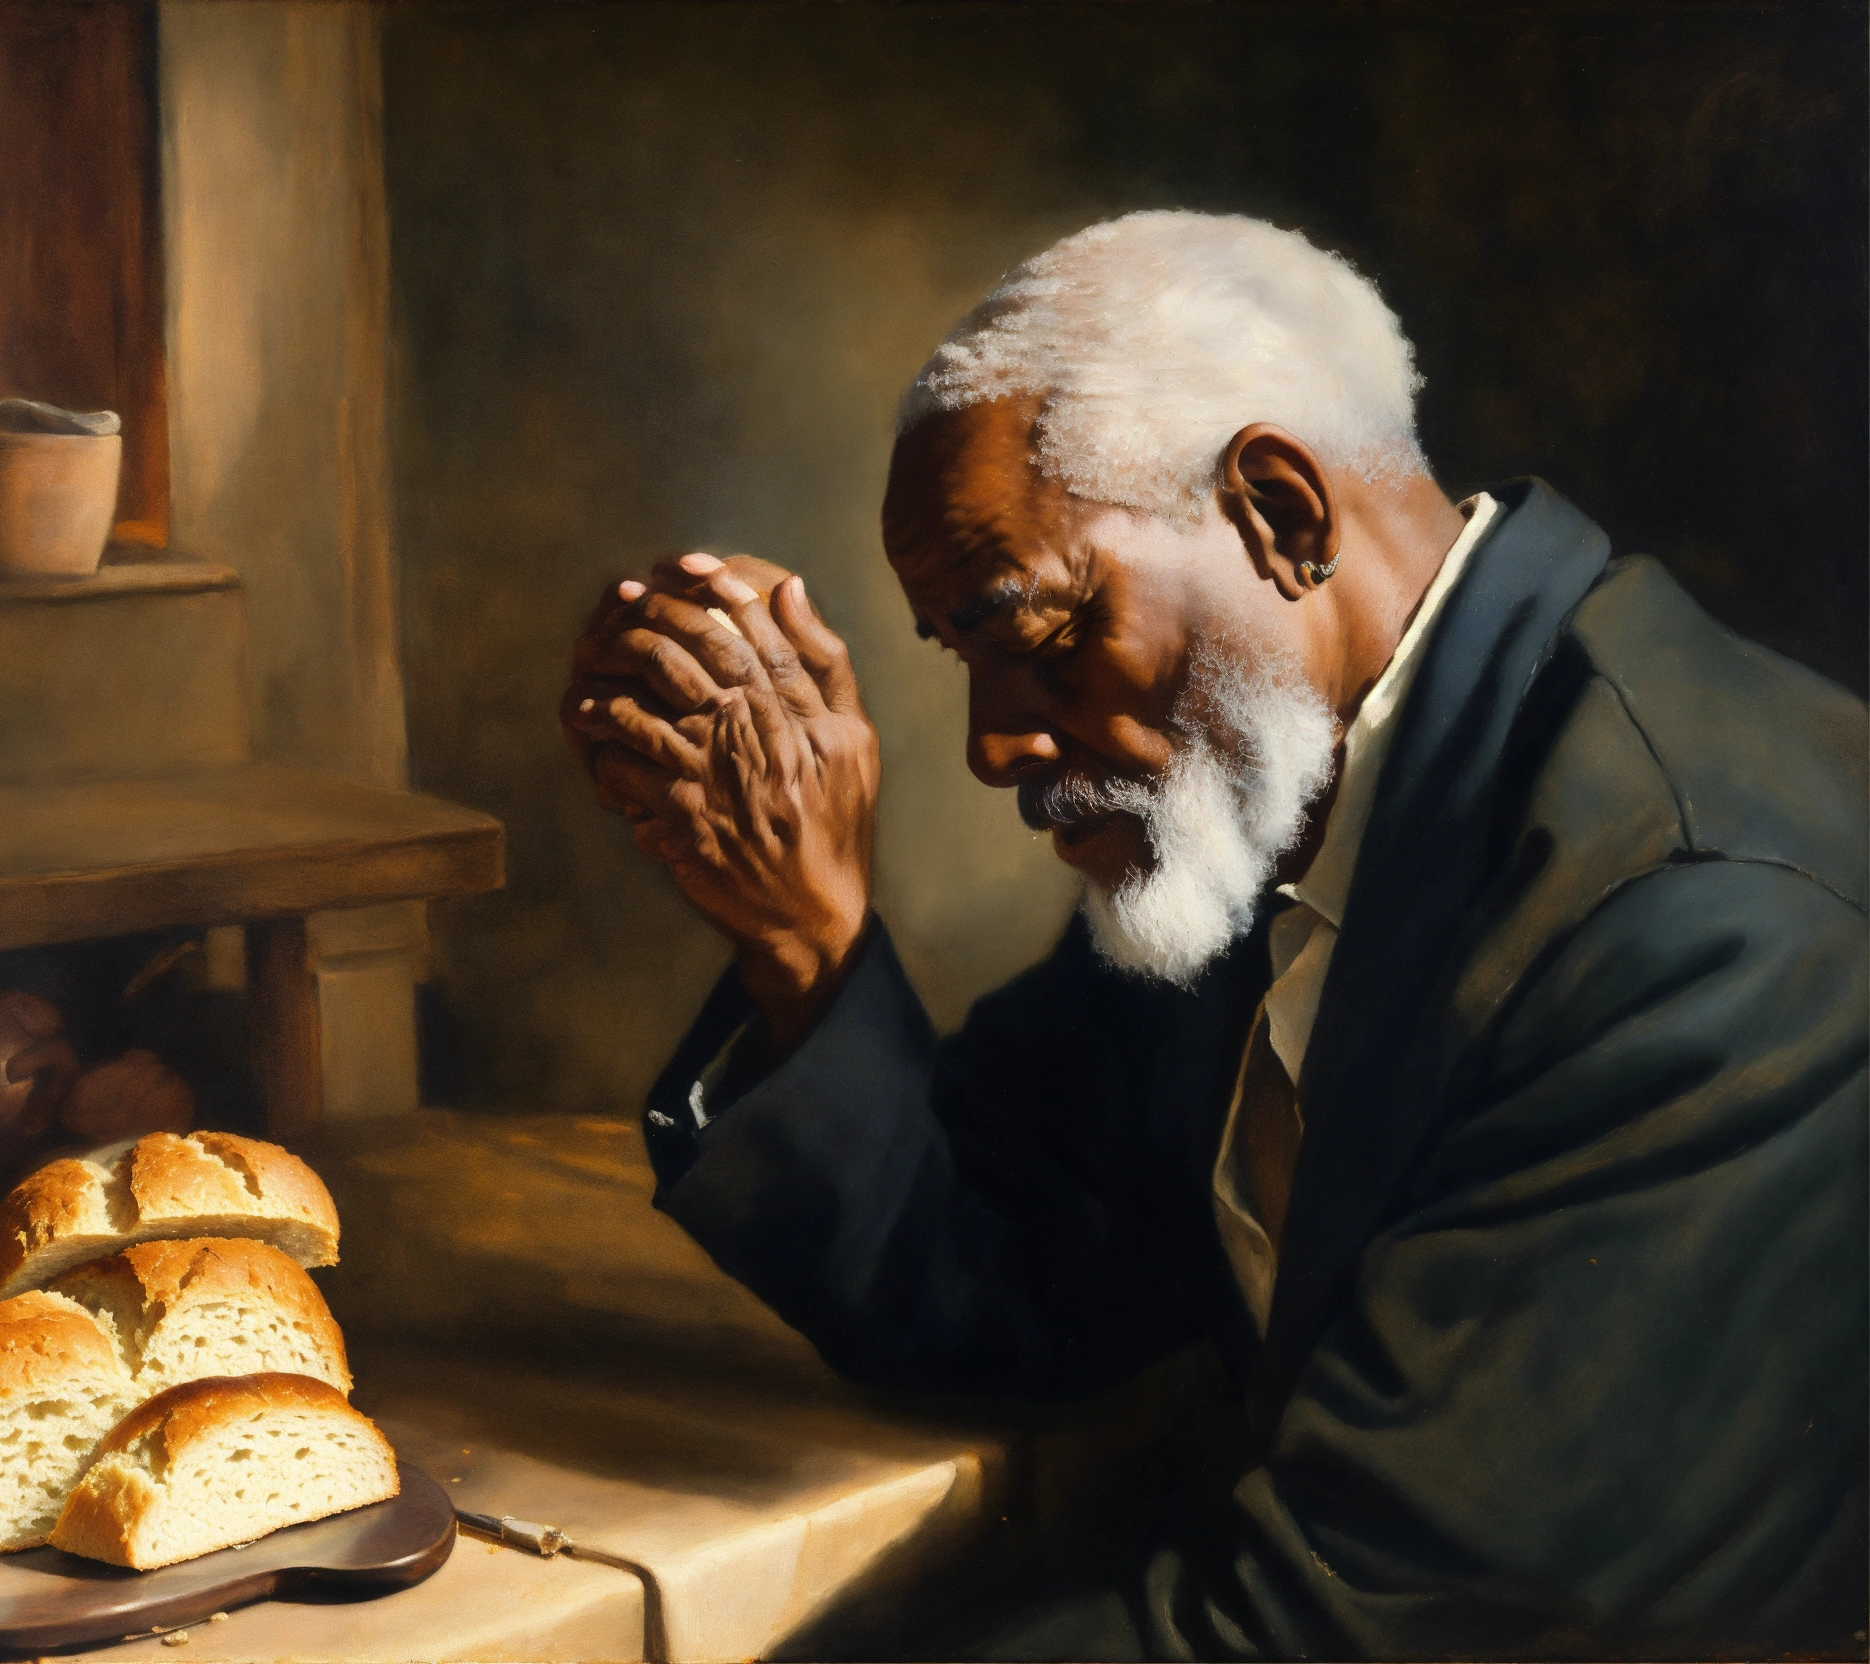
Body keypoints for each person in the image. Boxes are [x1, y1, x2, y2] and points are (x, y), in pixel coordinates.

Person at [560, 211, 1867, 1659]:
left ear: (1281, 518)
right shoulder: (1266, 810)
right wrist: (805, 940)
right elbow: (1003, 1276)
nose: (992, 746)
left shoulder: (1696, 925)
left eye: (1038, 636)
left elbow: (1347, 1631)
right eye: (964, 656)